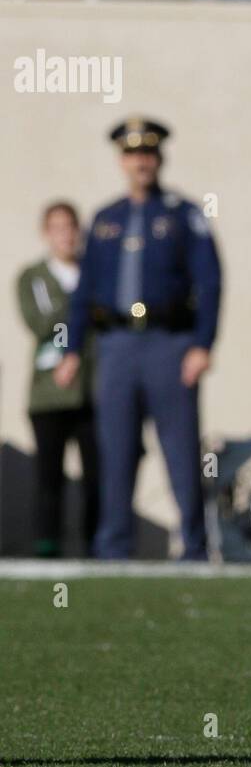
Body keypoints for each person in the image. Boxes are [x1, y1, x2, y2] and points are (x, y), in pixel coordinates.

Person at [55, 119, 221, 561]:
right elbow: (84, 291)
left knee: (181, 450)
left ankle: (193, 546)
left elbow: (209, 282)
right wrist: (71, 350)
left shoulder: (183, 214)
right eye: (132, 155)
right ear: (122, 161)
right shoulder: (105, 219)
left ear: (159, 159)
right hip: (116, 347)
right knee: (116, 449)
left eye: (147, 153)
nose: (140, 162)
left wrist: (203, 344)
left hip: (169, 344)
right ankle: (113, 548)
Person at [15, 202, 99, 557]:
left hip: (92, 391)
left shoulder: (95, 272)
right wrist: (72, 342)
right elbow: (43, 322)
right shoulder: (34, 277)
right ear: (46, 233)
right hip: (50, 393)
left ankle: (96, 546)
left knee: (98, 474)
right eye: (57, 227)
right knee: (50, 475)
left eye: (71, 226)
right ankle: (47, 548)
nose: (66, 234)